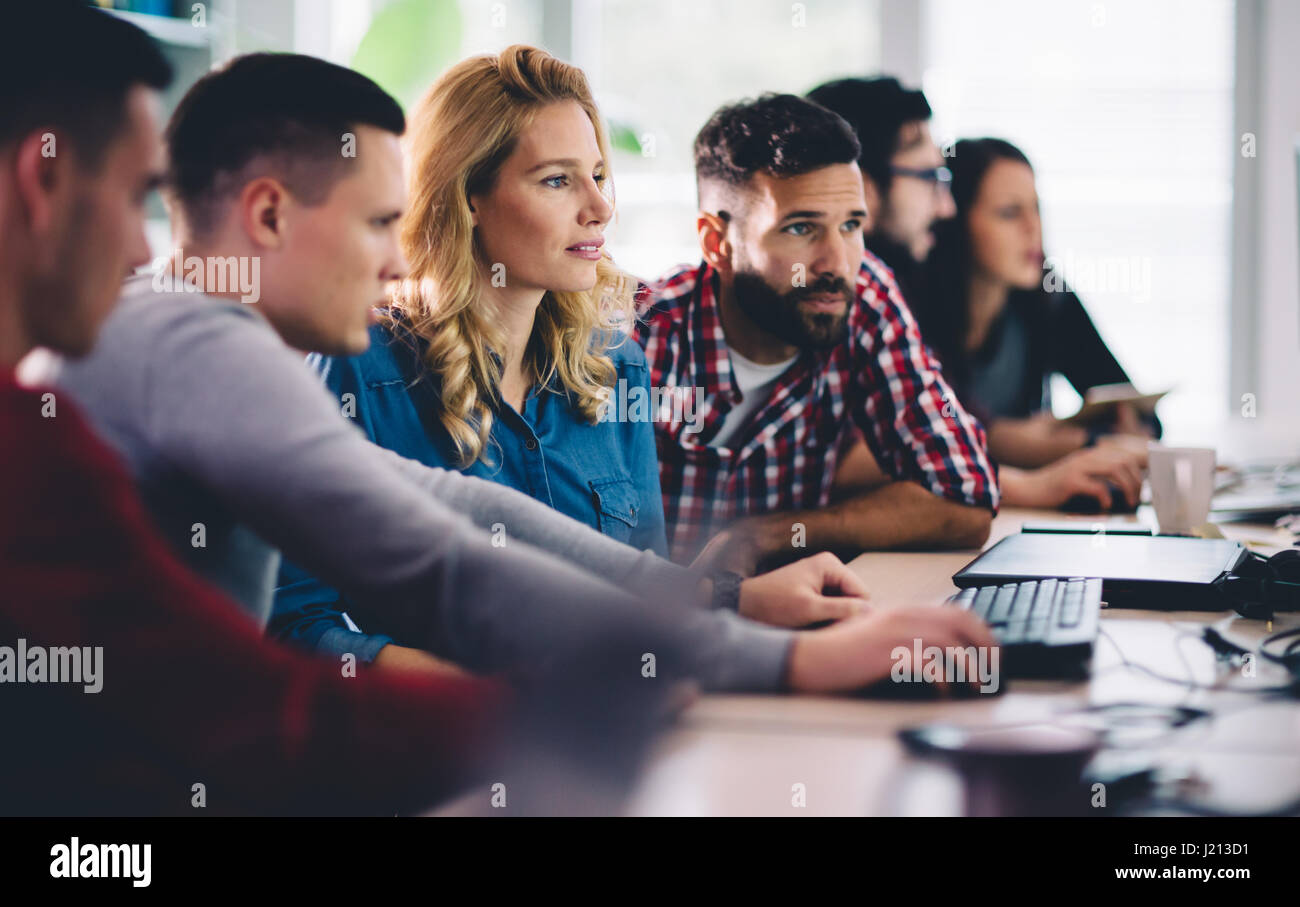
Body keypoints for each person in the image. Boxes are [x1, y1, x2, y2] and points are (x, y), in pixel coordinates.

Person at [53, 51, 997, 696]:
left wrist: (723, 610)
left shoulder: (607, 356)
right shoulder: (226, 348)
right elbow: (400, 592)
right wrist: (730, 660)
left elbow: (465, 522)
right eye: (378, 225)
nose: (395, 264)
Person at [0, 2, 506, 816]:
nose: (141, 249)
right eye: (137, 199)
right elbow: (243, 703)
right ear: (43, 181)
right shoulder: (75, 411)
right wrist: (573, 707)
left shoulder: (54, 406)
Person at [635, 94, 999, 572]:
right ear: (716, 243)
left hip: (797, 631)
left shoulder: (862, 297)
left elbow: (965, 497)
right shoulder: (641, 339)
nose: (836, 263)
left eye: (851, 225)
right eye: (801, 228)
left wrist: (761, 536)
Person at [808, 79, 1149, 513]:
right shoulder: (890, 294)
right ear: (863, 187)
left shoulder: (879, 292)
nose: (943, 208)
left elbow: (946, 437)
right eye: (930, 179)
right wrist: (1049, 471)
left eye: (1037, 209)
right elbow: (883, 456)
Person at [918, 138, 1157, 508]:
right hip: (978, 507)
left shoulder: (1045, 294)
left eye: (1037, 209)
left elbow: (1121, 394)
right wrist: (1093, 444)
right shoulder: (917, 309)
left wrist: (1130, 429)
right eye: (1010, 213)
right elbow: (967, 434)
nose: (1034, 228)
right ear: (954, 218)